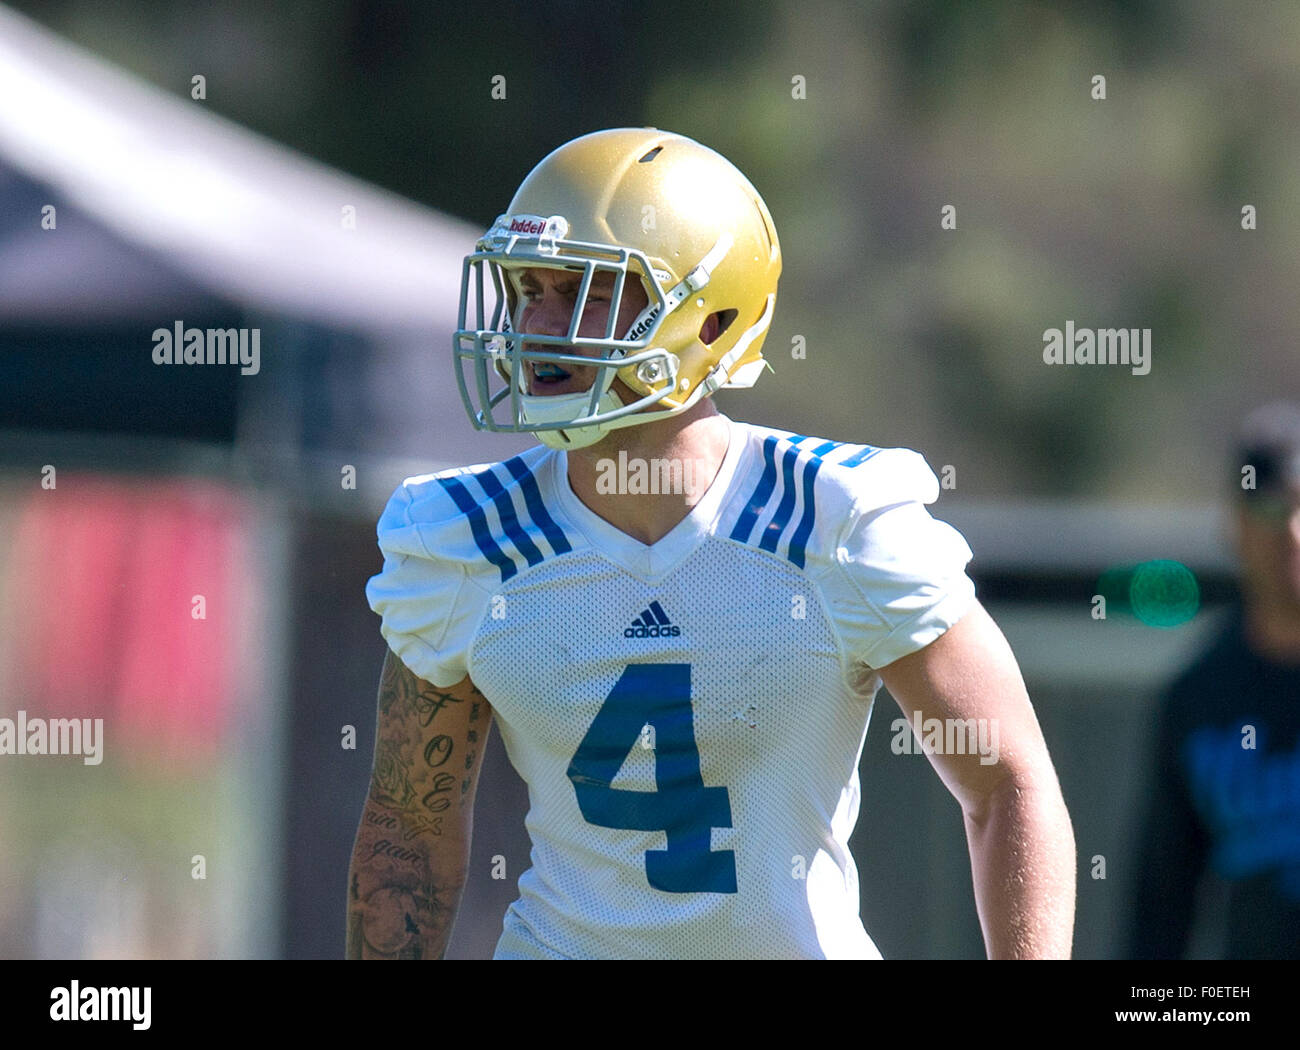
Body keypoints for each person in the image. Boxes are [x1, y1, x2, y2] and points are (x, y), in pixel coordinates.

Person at [346, 127, 1076, 960]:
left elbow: (1006, 782)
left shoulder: (837, 520)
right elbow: (409, 831)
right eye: (525, 289)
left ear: (711, 317)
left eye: (582, 294)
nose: (536, 325)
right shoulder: (465, 539)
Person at [1129, 402, 1300, 959]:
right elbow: (1160, 906)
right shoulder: (1200, 697)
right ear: (1235, 525)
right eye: (1274, 509)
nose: (1294, 533)